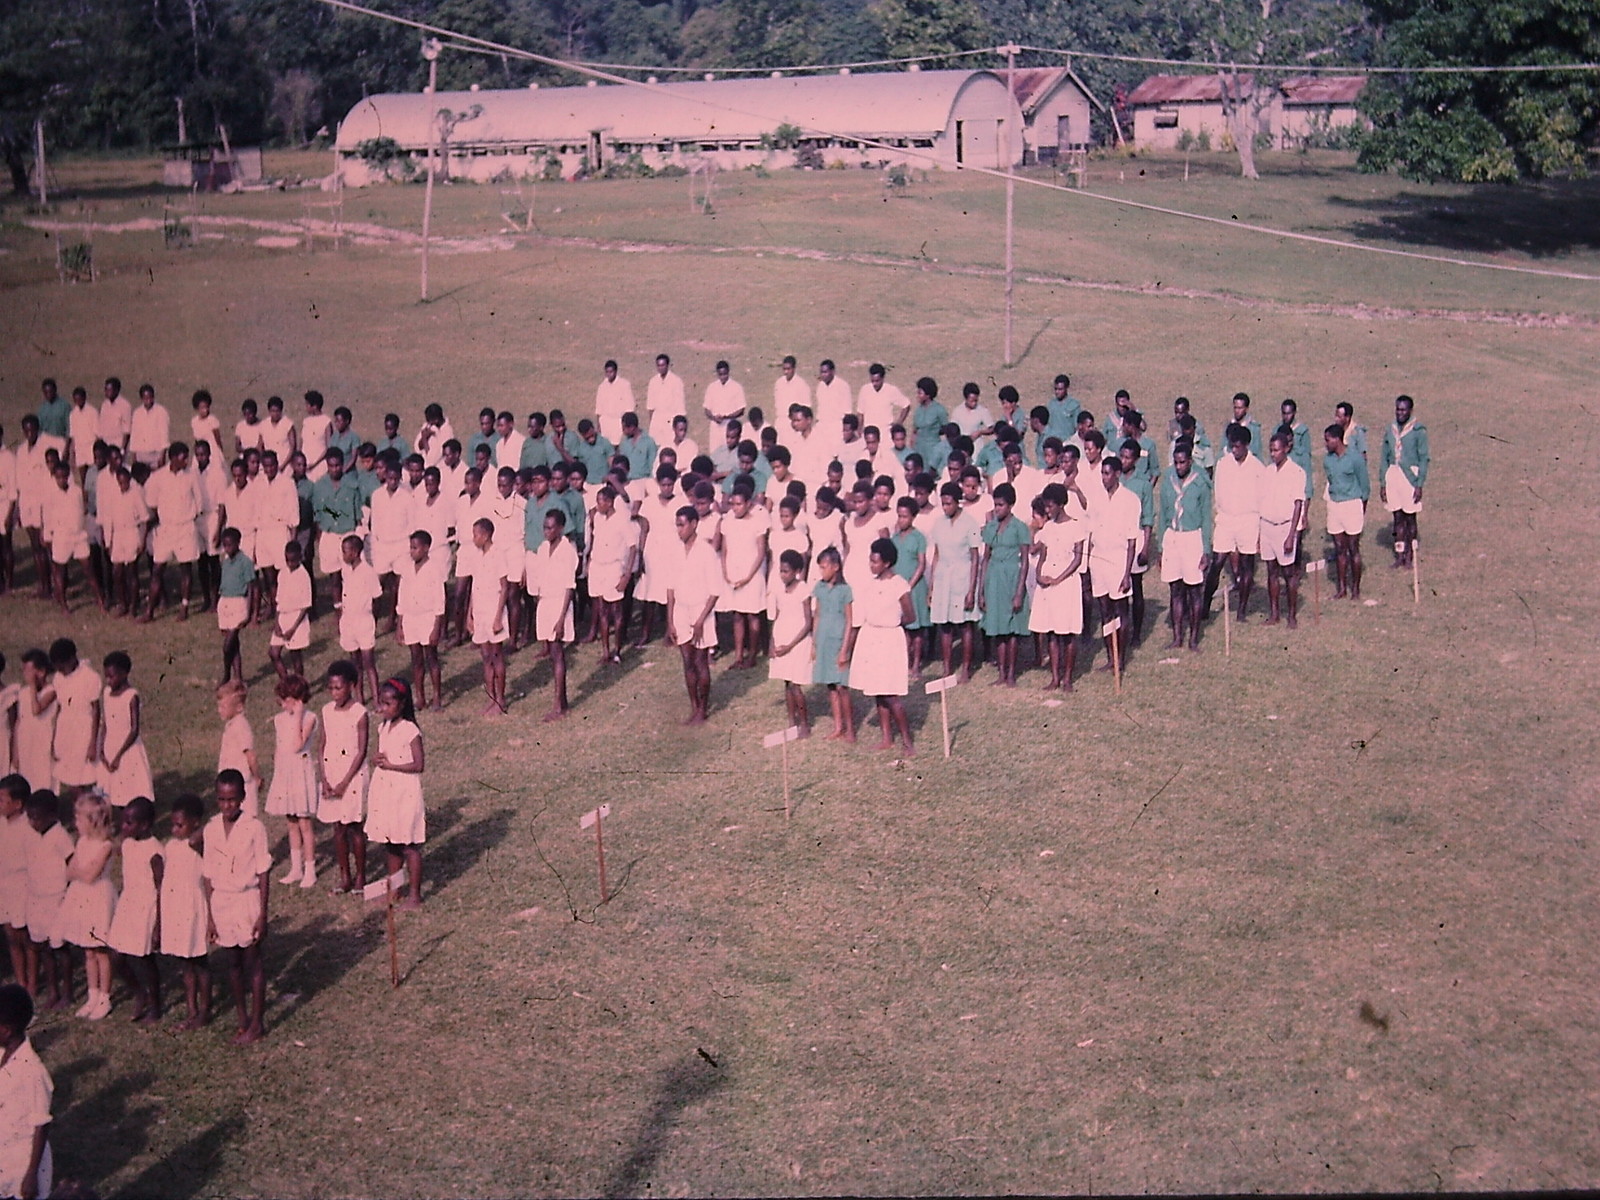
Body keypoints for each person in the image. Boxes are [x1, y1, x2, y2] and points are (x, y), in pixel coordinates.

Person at [203, 769, 271, 1043]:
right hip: (222, 901)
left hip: (247, 899)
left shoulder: (254, 827)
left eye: (232, 799)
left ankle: (257, 1023)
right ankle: (242, 1017)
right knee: (231, 962)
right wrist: (210, 916)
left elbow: (264, 872)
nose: (227, 805)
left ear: (242, 797)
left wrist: (262, 914)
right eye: (221, 800)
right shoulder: (210, 829)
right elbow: (208, 874)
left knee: (252, 961)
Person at [843, 539, 915, 757]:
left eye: (875, 561)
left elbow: (910, 616)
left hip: (889, 639)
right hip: (870, 637)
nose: (871, 565)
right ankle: (886, 737)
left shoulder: (899, 584)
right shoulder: (870, 584)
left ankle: (907, 741)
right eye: (870, 560)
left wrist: (891, 625)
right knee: (877, 690)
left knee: (890, 693)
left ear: (887, 562)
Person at [364, 679, 425, 908]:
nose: (384, 708)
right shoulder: (383, 727)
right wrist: (377, 759)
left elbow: (419, 765)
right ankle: (395, 889)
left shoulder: (410, 730)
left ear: (401, 704)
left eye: (389, 704)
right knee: (391, 842)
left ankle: (415, 895)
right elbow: (385, 754)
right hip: (386, 790)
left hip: (405, 792)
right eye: (382, 703)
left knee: (408, 844)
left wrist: (392, 766)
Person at [58, 793, 116, 1020]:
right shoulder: (81, 842)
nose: (76, 823)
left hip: (99, 898)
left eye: (79, 819)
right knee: (88, 950)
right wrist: (81, 871)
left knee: (101, 950)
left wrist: (81, 871)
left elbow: (91, 875)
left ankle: (105, 997)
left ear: (92, 821)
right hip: (82, 899)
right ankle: (92, 995)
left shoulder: (106, 845)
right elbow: (68, 872)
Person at [106, 796, 163, 1024]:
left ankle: (156, 1005)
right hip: (128, 903)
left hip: (146, 905)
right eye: (123, 822)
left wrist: (159, 923)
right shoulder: (128, 842)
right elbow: (122, 851)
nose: (124, 827)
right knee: (116, 956)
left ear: (145, 825)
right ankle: (139, 992)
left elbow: (161, 887)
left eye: (129, 823)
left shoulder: (155, 851)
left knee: (145, 957)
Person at [1029, 483, 1088, 691]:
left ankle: (1068, 677)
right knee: (1052, 632)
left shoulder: (1076, 526)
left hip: (1067, 582)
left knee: (1067, 631)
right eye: (1045, 506)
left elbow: (1078, 559)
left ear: (1061, 504)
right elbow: (1043, 555)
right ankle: (1055, 677)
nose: (1047, 510)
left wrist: (1059, 578)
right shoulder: (1048, 527)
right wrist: (1039, 575)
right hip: (1048, 580)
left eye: (1051, 506)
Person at [1204, 424, 1265, 622]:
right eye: (1232, 446)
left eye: (1238, 446)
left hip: (1249, 519)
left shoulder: (1257, 467)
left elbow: (1261, 497)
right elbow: (1219, 492)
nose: (1235, 450)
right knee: (1217, 563)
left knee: (1247, 566)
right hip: (1227, 519)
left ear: (1247, 445)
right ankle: (1205, 606)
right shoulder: (1223, 464)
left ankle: (1241, 611)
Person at [317, 662, 369, 895]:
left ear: (351, 686)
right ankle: (344, 876)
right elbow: (322, 747)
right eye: (331, 688)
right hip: (332, 773)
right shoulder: (327, 711)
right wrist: (325, 780)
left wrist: (345, 782)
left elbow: (361, 750)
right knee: (338, 828)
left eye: (339, 688)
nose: (335, 693)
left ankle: (360, 877)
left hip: (352, 775)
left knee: (354, 826)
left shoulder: (360, 713)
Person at [665, 506, 720, 724]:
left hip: (700, 610)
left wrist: (700, 621)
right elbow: (670, 588)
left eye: (682, 524)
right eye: (677, 525)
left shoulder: (706, 551)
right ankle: (694, 706)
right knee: (687, 660)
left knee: (700, 661)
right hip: (680, 610)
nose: (679, 529)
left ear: (694, 524)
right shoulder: (674, 551)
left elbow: (715, 592)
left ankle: (703, 709)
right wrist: (670, 620)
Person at [161, 793, 211, 1029]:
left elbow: (209, 831)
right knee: (185, 964)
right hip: (177, 910)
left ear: (195, 823)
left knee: (200, 962)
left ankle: (205, 1010)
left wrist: (196, 835)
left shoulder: (200, 846)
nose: (174, 830)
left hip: (193, 909)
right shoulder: (170, 846)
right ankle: (191, 1009)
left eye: (180, 825)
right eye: (173, 824)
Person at [0, 982, 54, 1200]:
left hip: (24, 1160)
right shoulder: (2, 1054)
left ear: (6, 1030)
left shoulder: (32, 1070)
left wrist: (31, 1175)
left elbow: (41, 1123)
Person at [1157, 442, 1213, 651]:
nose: (1179, 466)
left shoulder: (1200, 482)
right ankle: (1177, 636)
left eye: (1183, 463)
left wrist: (1206, 550)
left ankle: (1194, 638)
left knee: (1194, 591)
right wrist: (1162, 547)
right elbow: (1163, 513)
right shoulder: (1168, 479)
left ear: (1190, 461)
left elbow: (1206, 518)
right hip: (1173, 537)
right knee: (1175, 590)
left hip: (1192, 537)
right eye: (1176, 462)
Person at [1088, 457, 1141, 673]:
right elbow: (1090, 530)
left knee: (1121, 611)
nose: (1104, 478)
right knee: (1104, 611)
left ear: (1117, 474)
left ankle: (1121, 658)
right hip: (1098, 558)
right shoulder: (1096, 498)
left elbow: (1131, 541)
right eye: (1102, 473)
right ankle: (1111, 656)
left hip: (1118, 559)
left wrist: (1127, 573)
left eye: (1108, 473)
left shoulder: (1130, 500)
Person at [267, 674, 319, 889]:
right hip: (286, 773)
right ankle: (296, 868)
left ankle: (310, 870)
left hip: (301, 772)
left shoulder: (309, 718)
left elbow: (298, 744)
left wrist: (298, 716)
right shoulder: (279, 719)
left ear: (298, 699)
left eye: (287, 699)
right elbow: (281, 749)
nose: (283, 704)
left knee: (304, 823)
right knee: (291, 822)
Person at [927, 482, 982, 681]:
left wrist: (972, 589)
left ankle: (966, 668)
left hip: (963, 576)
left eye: (949, 503)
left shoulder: (970, 523)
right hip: (943, 577)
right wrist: (931, 586)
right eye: (943, 504)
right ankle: (947, 668)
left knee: (965, 624)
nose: (946, 507)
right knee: (945, 624)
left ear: (957, 502)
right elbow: (936, 555)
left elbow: (976, 557)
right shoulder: (938, 523)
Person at [978, 483, 1031, 687]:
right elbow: (985, 558)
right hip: (994, 577)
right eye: (995, 504)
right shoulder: (990, 527)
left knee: (1012, 629)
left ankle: (1011, 673)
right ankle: (1000, 673)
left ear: (1010, 505)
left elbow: (1025, 560)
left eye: (1000, 505)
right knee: (998, 628)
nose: (997, 508)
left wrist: (1019, 592)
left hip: (1012, 576)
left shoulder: (1020, 527)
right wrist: (981, 591)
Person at [142, 441, 203, 620]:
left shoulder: (191, 476)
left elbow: (198, 502)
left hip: (186, 527)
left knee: (186, 568)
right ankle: (149, 611)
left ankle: (184, 607)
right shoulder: (158, 477)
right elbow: (152, 503)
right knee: (157, 569)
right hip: (166, 528)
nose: (186, 461)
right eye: (184, 458)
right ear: (173, 458)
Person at [457, 517, 511, 715]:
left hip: (493, 609)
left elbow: (505, 587)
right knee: (485, 656)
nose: (474, 539)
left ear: (486, 535)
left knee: (496, 656)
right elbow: (474, 586)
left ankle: (501, 699)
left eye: (476, 535)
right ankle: (491, 697)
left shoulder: (498, 554)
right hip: (479, 610)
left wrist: (498, 617)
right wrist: (469, 614)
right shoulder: (476, 555)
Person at [24, 791, 72, 1011]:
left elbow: (71, 864)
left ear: (53, 815)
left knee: (60, 948)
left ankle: (67, 992)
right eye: (30, 817)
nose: (34, 822)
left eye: (38, 818)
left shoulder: (60, 837)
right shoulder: (32, 835)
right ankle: (53, 990)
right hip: (36, 898)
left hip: (56, 899)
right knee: (43, 947)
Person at [529, 510, 578, 721]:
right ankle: (562, 700)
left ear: (560, 528)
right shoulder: (542, 548)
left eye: (551, 528)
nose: (547, 531)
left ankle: (559, 705)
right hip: (546, 602)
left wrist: (560, 619)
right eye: (545, 527)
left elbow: (569, 587)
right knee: (552, 653)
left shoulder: (568, 551)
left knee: (558, 653)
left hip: (560, 604)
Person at [584, 485, 640, 665]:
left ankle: (617, 650)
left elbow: (633, 548)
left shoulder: (622, 520)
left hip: (614, 567)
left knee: (616, 609)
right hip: (597, 566)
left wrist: (626, 576)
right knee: (601, 610)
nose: (597, 505)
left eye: (600, 502)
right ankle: (605, 651)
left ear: (609, 502)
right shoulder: (598, 519)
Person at [43, 460, 105, 612]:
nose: (61, 480)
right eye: (58, 477)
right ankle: (63, 603)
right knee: (60, 570)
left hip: (78, 536)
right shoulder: (50, 494)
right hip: (61, 536)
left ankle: (100, 600)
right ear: (55, 477)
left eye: (64, 477)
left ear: (68, 476)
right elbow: (47, 517)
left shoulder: (76, 491)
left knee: (88, 569)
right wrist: (47, 537)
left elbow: (81, 511)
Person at [1261, 431, 1308, 627]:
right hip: (1267, 526)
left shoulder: (1297, 472)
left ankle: (1291, 615)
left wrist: (1291, 535)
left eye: (1277, 450)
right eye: (1271, 450)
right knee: (1271, 572)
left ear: (1286, 449)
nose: (1273, 454)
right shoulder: (1267, 471)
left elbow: (1298, 505)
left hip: (1284, 528)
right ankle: (1274, 614)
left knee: (1288, 573)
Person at [719, 485, 769, 670]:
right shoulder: (728, 520)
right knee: (738, 615)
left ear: (748, 503)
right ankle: (739, 655)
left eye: (739, 504)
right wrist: (725, 572)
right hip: (733, 573)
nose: (735, 508)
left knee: (752, 615)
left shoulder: (758, 522)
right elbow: (724, 550)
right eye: (733, 504)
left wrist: (748, 577)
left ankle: (752, 655)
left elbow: (761, 551)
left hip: (752, 574)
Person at [397, 532, 448, 711]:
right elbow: (401, 597)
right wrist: (400, 625)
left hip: (428, 618)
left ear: (426, 548)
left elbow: (440, 601)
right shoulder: (407, 569)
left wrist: (436, 628)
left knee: (431, 658)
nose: (412, 551)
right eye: (410, 547)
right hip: (411, 619)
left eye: (415, 548)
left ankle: (436, 697)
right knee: (416, 659)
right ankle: (420, 696)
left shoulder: (434, 569)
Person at [97, 651, 153, 810]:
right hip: (109, 747)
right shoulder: (107, 693)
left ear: (124, 673)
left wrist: (118, 756)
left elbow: (134, 730)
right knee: (109, 789)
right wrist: (101, 749)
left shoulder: (131, 696)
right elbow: (106, 722)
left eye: (112, 676)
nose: (108, 680)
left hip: (127, 749)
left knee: (128, 791)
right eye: (106, 676)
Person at [767, 549, 814, 736]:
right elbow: (776, 616)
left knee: (796, 684)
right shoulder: (778, 590)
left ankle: (804, 724)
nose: (782, 574)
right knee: (786, 683)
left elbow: (808, 622)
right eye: (780, 570)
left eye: (786, 571)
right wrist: (772, 642)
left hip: (798, 641)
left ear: (796, 571)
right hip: (782, 638)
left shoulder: (804, 589)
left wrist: (791, 645)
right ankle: (791, 722)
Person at [48, 639, 100, 806]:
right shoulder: (58, 678)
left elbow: (96, 710)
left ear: (72, 659)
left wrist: (92, 743)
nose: (61, 671)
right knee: (70, 778)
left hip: (84, 729)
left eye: (62, 666)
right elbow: (59, 708)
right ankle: (82, 813)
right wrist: (55, 736)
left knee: (85, 777)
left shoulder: (89, 677)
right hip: (66, 729)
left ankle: (92, 813)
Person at [1380, 394, 1429, 569]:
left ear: (1410, 410)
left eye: (1403, 410)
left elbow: (1424, 458)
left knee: (1410, 518)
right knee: (1397, 517)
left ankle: (1410, 553)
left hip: (1410, 477)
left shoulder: (1418, 431)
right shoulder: (1390, 429)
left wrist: (1419, 483)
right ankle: (1399, 553)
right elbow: (1384, 456)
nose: (1400, 413)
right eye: (1398, 409)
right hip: (1393, 475)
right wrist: (1383, 482)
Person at [1323, 422, 1370, 599]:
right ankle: (1341, 588)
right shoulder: (1328, 460)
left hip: (1352, 505)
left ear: (1337, 439)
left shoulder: (1355, 458)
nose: (1326, 444)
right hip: (1335, 505)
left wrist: (1361, 510)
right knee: (1339, 549)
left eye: (1328, 440)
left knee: (1353, 548)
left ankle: (1355, 589)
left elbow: (1365, 486)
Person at [889, 498, 929, 677]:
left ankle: (916, 664)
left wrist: (910, 584)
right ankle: (904, 660)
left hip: (915, 587)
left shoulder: (919, 537)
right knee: (903, 626)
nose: (901, 520)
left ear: (913, 517)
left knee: (916, 627)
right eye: (899, 516)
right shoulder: (895, 538)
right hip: (898, 588)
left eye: (905, 516)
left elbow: (921, 563)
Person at [215, 526, 257, 685]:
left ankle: (226, 674)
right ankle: (238, 677)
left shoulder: (245, 562)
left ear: (238, 543)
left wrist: (252, 611)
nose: (227, 548)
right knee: (233, 644)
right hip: (225, 602)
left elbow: (253, 587)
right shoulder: (225, 562)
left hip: (239, 603)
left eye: (230, 545)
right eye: (225, 545)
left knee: (227, 646)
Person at [269, 540, 313, 682]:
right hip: (283, 617)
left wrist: (293, 629)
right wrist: (276, 623)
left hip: (297, 619)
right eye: (287, 560)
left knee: (295, 656)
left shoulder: (303, 576)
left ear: (300, 557)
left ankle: (300, 685)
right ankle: (287, 681)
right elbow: (278, 601)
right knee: (273, 653)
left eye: (293, 560)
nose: (290, 563)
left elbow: (306, 605)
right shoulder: (282, 573)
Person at [215, 681, 261, 818]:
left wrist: (257, 776)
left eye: (223, 706)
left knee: (246, 817)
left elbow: (250, 755)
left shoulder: (241, 726)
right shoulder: (231, 725)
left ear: (239, 707)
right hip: (230, 783)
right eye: (219, 706)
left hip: (243, 783)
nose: (219, 710)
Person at [0, 777, 29, 986]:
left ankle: (31, 982)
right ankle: (20, 980)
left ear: (17, 804)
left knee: (24, 937)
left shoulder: (27, 826)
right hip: (4, 887)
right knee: (10, 936)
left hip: (22, 888)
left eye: (2, 800)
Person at [857, 364, 909, 435]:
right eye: (872, 381)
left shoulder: (891, 390)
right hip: (869, 433)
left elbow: (906, 405)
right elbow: (860, 412)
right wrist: (859, 430)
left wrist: (899, 423)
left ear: (883, 378)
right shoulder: (864, 390)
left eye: (877, 381)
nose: (874, 384)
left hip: (885, 433)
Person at [127, 384, 170, 469]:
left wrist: (162, 456)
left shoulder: (161, 412)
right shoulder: (137, 413)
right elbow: (134, 435)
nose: (148, 401)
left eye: (150, 398)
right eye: (146, 398)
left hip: (155, 455)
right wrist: (134, 456)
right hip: (141, 455)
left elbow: (164, 434)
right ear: (142, 399)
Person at [646, 354, 685, 445]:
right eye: (658, 365)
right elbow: (650, 406)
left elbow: (680, 405)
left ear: (667, 365)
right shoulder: (653, 381)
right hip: (657, 419)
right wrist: (652, 422)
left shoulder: (676, 381)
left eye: (663, 365)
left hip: (671, 419)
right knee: (655, 445)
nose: (661, 368)